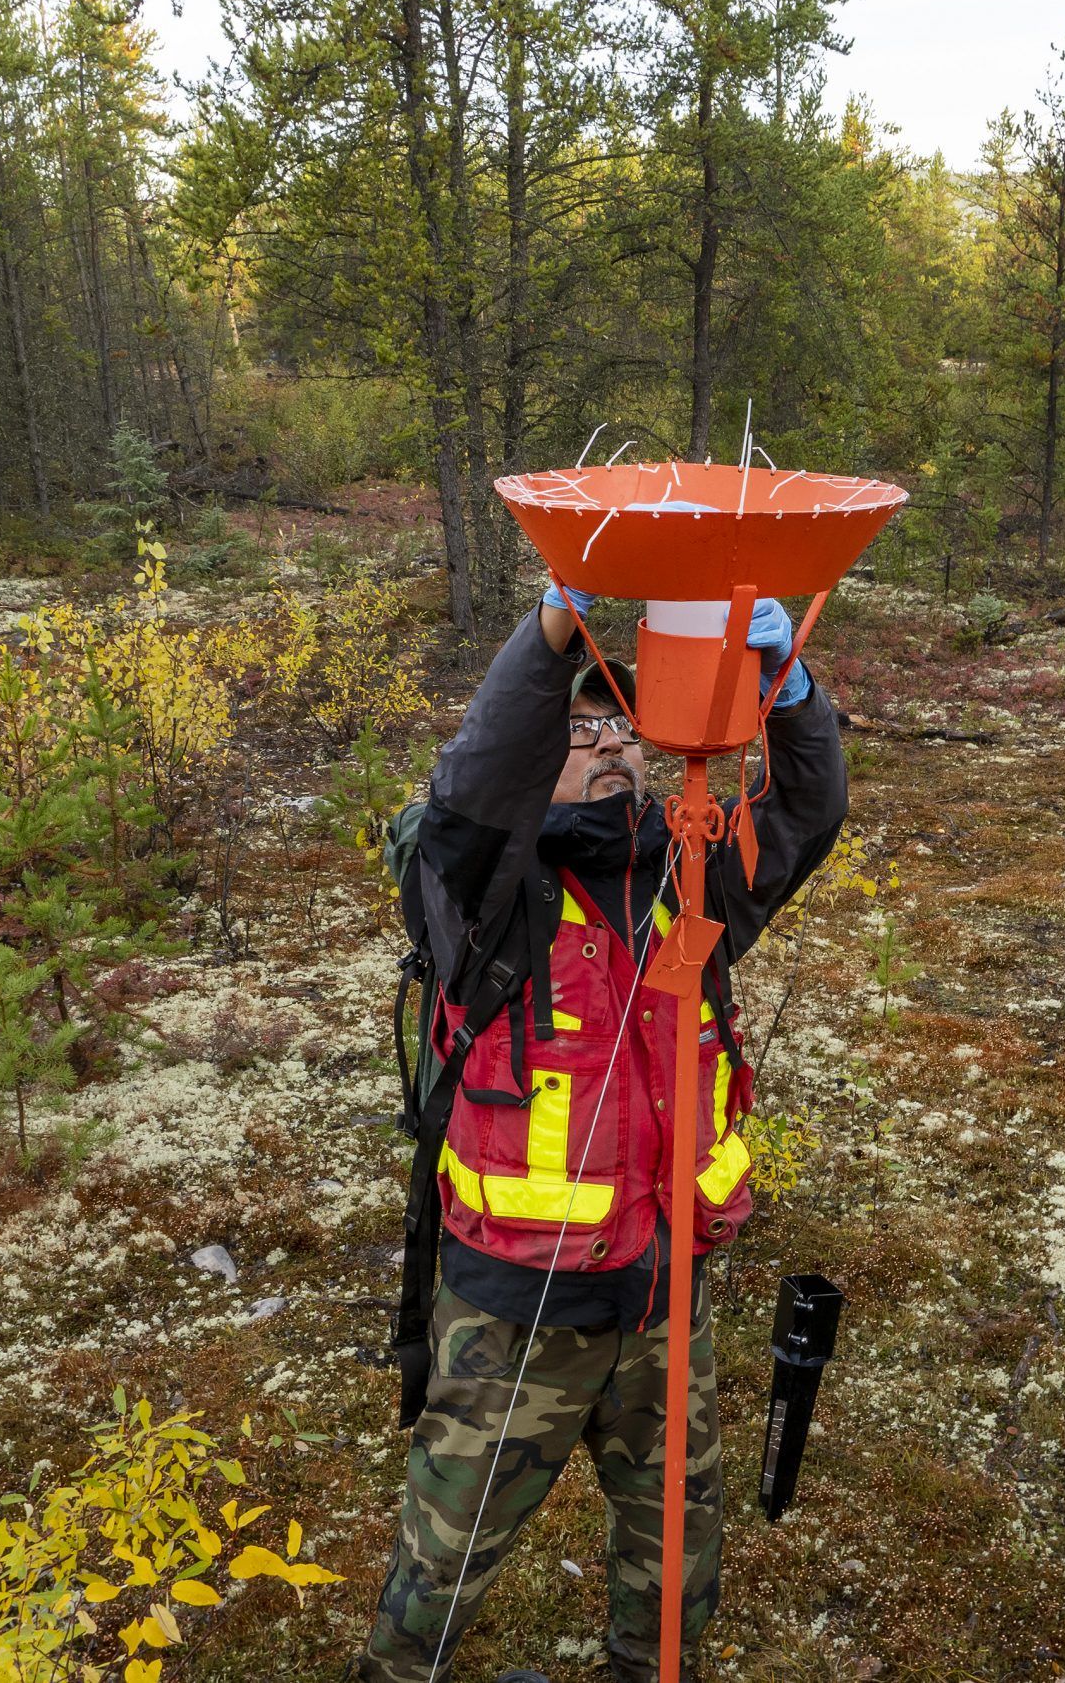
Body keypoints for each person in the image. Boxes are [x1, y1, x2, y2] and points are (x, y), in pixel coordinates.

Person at [357, 584, 850, 1683]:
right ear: (541, 750)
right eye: (581, 730)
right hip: (512, 1312)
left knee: (679, 1559)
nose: (612, 747)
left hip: (666, 1297)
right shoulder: (473, 888)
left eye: (625, 723)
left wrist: (794, 692)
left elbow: (808, 815)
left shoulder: (694, 877)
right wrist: (544, 644)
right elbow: (474, 792)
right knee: (439, 1569)